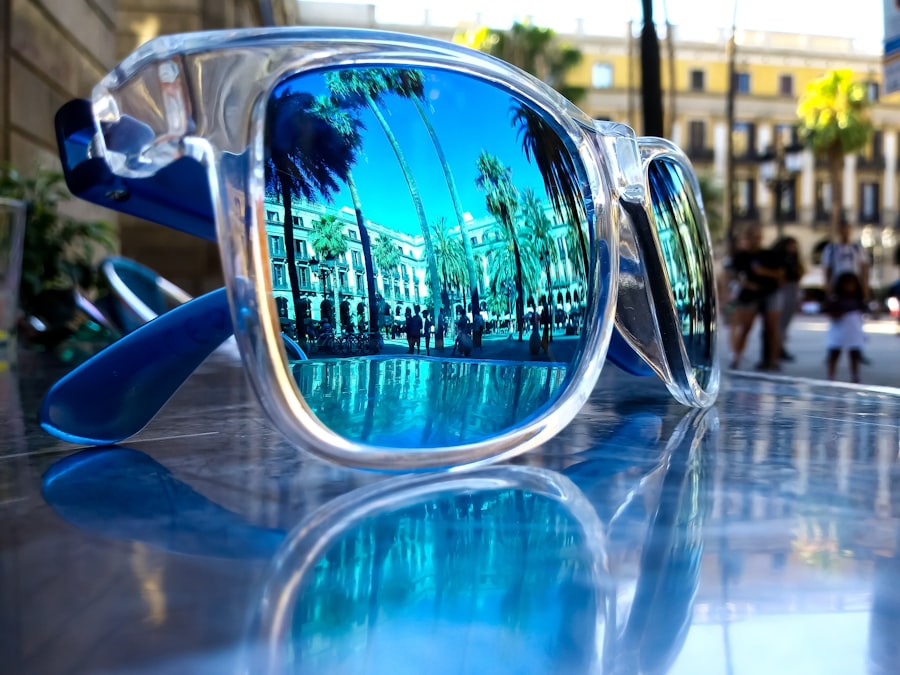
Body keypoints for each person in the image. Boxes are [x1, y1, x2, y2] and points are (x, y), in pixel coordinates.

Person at [727, 225, 783, 371]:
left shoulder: (769, 255)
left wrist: (763, 272)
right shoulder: (741, 257)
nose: (755, 240)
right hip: (749, 294)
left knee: (772, 328)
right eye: (751, 237)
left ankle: (774, 360)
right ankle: (736, 357)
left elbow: (780, 274)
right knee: (745, 327)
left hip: (770, 292)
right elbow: (734, 275)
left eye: (757, 237)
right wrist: (746, 284)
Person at [821, 218, 871, 364]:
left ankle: (857, 350)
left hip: (854, 290)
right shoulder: (831, 250)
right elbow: (827, 270)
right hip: (838, 290)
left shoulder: (857, 249)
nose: (845, 232)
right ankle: (833, 350)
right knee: (837, 320)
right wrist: (828, 290)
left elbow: (864, 269)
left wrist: (865, 290)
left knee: (855, 321)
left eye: (847, 229)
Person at [824, 271, 866, 383]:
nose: (849, 287)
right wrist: (837, 314)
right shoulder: (835, 298)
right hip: (839, 330)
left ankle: (855, 376)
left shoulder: (857, 299)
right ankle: (831, 376)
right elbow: (828, 311)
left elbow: (862, 311)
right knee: (835, 353)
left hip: (853, 330)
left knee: (854, 354)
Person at [774, 237, 805, 361]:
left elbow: (800, 272)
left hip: (793, 288)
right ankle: (778, 348)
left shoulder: (794, 259)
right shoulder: (781, 259)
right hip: (785, 289)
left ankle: (780, 346)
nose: (794, 248)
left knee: (785, 321)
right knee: (781, 321)